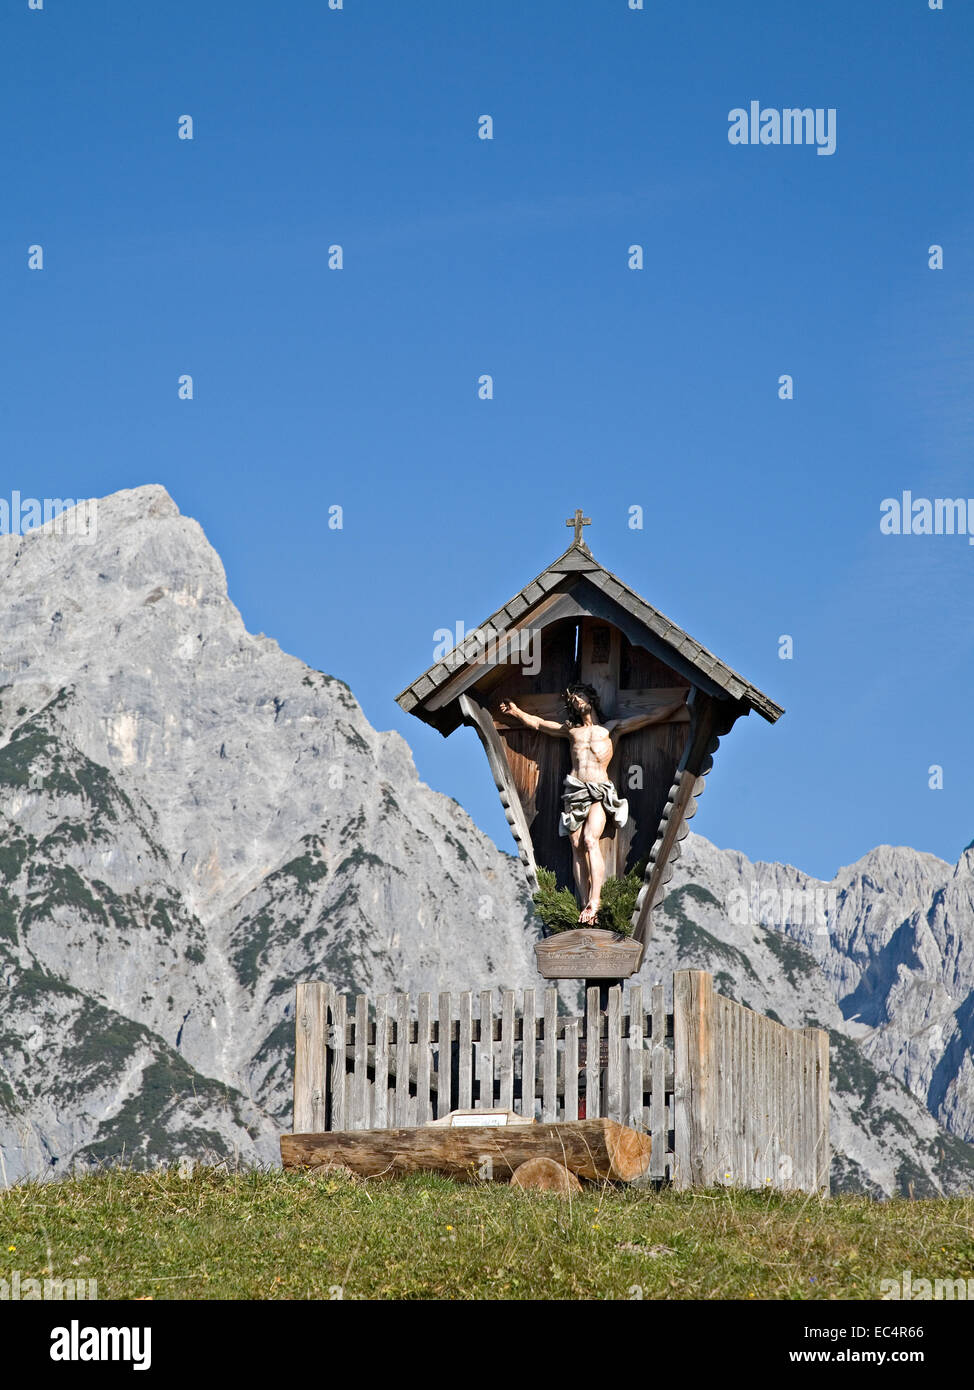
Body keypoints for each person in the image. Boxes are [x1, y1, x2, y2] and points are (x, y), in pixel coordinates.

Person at [499, 684, 687, 924]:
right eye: (573, 698)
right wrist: (515, 712)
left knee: (590, 839)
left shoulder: (612, 729)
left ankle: (595, 900)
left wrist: (678, 704)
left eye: (580, 695)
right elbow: (538, 723)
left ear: (591, 698)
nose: (577, 700)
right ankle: (584, 900)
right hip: (574, 790)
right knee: (576, 844)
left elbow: (650, 717)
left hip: (599, 791)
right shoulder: (572, 732)